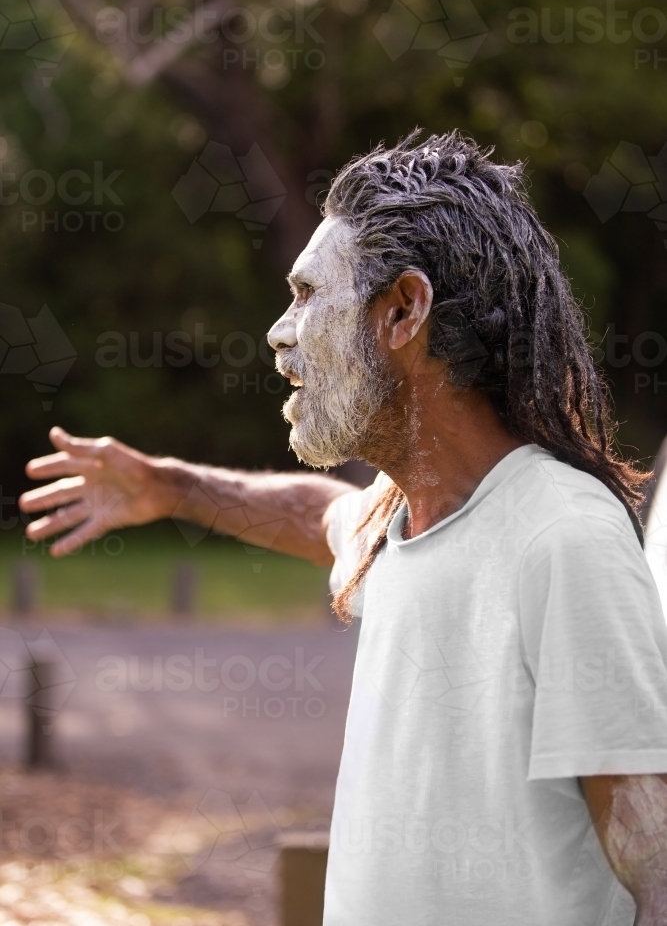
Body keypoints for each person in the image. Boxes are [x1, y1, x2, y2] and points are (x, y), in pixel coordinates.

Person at [20, 132, 667, 926]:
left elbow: (652, 867)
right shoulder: (398, 517)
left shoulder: (561, 537)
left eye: (304, 295)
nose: (279, 333)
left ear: (402, 311)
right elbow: (318, 515)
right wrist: (171, 487)